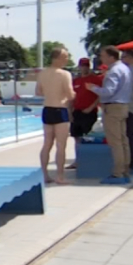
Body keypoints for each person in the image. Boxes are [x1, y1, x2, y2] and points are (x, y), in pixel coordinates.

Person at [87, 46, 133, 185]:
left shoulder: (113, 71)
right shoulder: (125, 69)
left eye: (103, 56)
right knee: (123, 140)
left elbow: (108, 91)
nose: (101, 58)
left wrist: (92, 88)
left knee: (115, 142)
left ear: (111, 57)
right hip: (123, 106)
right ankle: (125, 170)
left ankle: (118, 173)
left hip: (112, 107)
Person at [35, 46, 75, 185]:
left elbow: (38, 92)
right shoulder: (65, 74)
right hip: (60, 109)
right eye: (65, 57)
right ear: (57, 58)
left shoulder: (42, 73)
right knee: (61, 145)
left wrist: (50, 92)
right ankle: (60, 176)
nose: (67, 60)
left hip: (47, 109)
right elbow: (70, 94)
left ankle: (45, 175)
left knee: (47, 144)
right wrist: (71, 95)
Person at [68, 57, 103, 168]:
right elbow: (72, 97)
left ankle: (89, 161)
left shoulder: (95, 80)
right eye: (82, 66)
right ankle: (78, 161)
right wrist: (69, 112)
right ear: (79, 67)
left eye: (86, 66)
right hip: (77, 112)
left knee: (88, 137)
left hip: (89, 112)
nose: (84, 68)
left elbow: (100, 95)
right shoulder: (76, 81)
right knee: (76, 137)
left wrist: (91, 107)